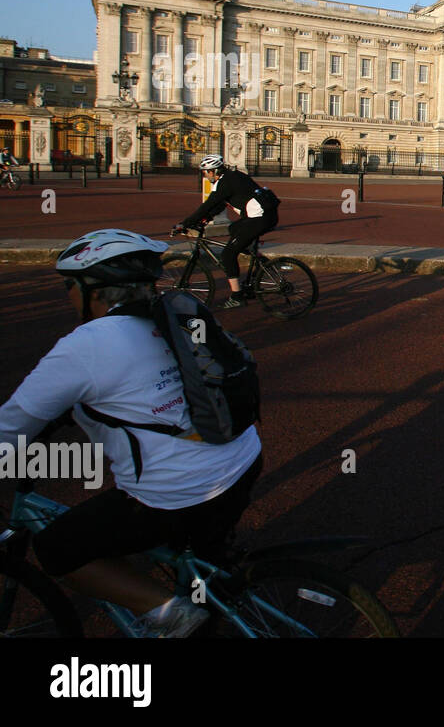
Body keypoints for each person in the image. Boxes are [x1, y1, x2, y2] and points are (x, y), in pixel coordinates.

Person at [0, 229, 262, 636]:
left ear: (96, 292)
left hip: (178, 493)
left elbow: (11, 424)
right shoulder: (174, 315)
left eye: (70, 286)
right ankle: (212, 589)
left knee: (56, 547)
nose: (67, 294)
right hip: (244, 457)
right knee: (200, 558)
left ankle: (172, 613)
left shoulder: (83, 346)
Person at [174, 155, 280, 309]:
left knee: (227, 254)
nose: (204, 175)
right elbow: (219, 205)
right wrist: (204, 220)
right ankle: (260, 262)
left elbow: (208, 205)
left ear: (213, 171)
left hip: (259, 219)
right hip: (263, 215)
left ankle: (237, 296)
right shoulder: (233, 177)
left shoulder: (224, 183)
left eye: (205, 172)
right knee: (233, 229)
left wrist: (184, 224)